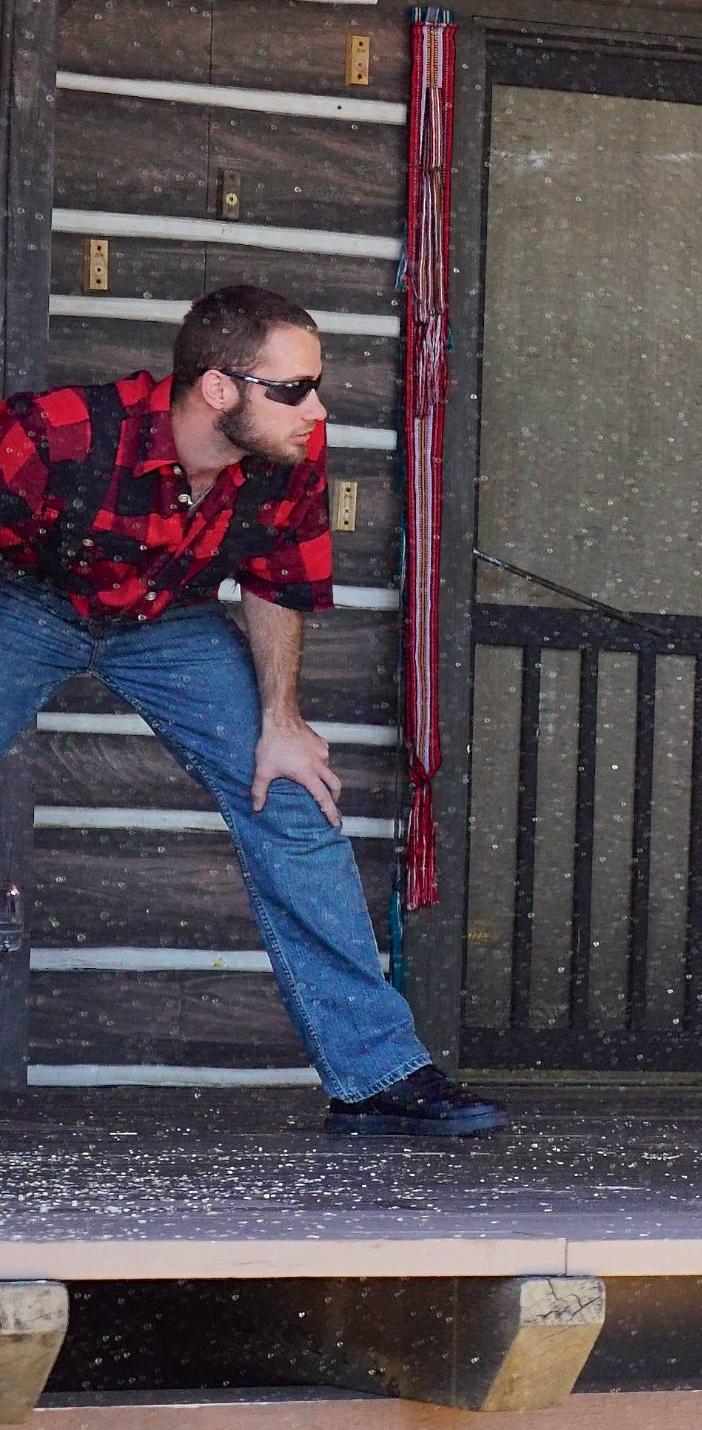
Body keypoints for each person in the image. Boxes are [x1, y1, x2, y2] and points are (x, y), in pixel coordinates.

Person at [0, 285, 504, 1135]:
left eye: (317, 384)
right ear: (219, 389)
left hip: (167, 622)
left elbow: (278, 579)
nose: (319, 407)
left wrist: (281, 719)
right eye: (296, 387)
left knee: (293, 795)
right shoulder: (54, 433)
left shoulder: (287, 448)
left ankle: (377, 1071)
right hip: (31, 602)